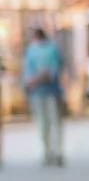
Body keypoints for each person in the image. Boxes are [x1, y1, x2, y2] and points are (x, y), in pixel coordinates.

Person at [21, 27, 64, 165]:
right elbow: (28, 73)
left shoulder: (51, 49)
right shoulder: (31, 50)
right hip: (39, 92)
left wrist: (35, 79)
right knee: (45, 123)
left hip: (50, 90)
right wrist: (34, 80)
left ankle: (56, 152)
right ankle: (48, 152)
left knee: (52, 123)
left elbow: (52, 71)